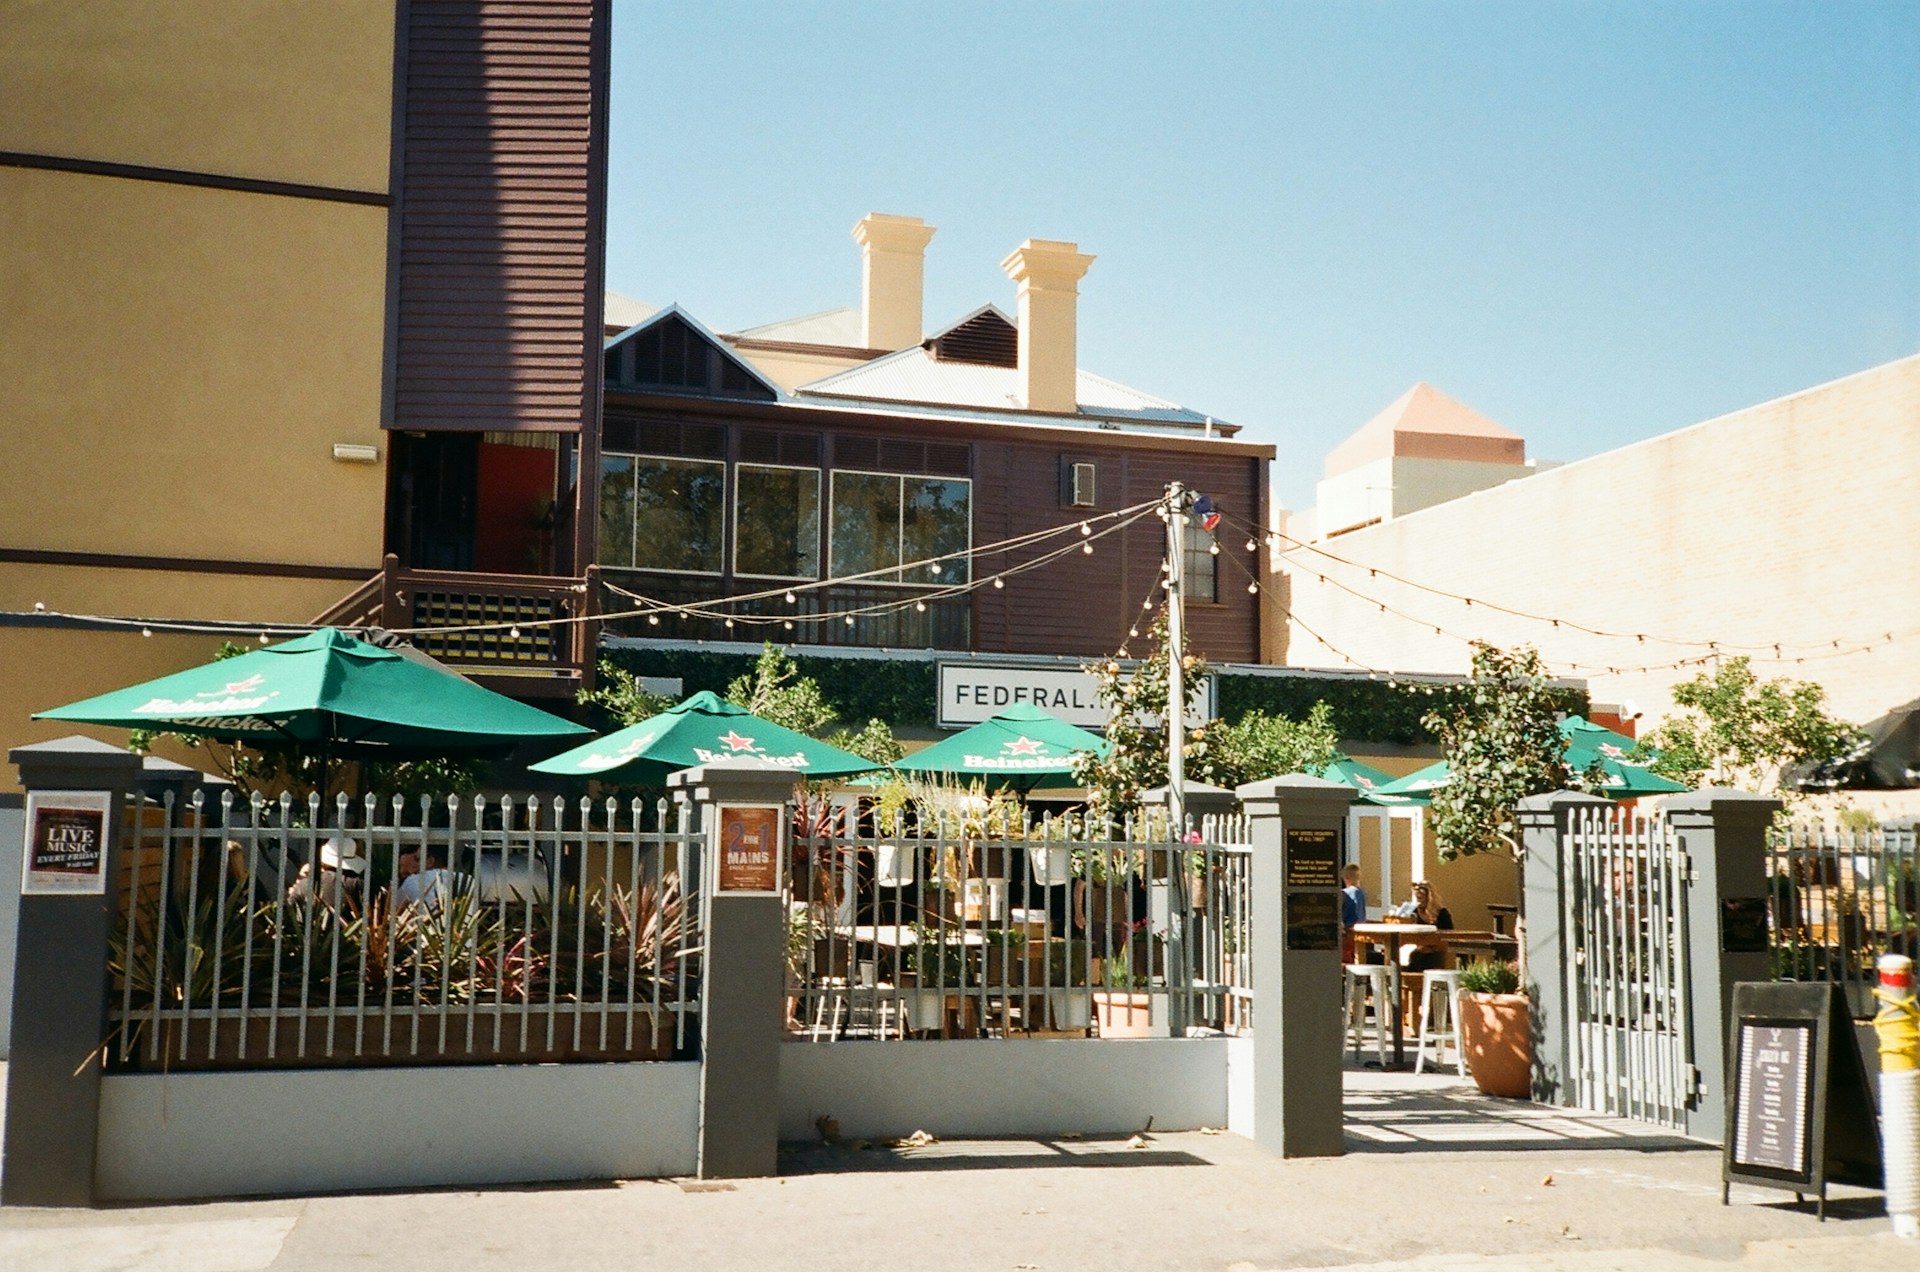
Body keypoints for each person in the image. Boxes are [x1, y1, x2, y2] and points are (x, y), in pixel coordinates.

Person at [1400, 880, 1454, 974]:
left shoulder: (1441, 913)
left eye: (1421, 897)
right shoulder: (1414, 912)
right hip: (1420, 947)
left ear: (1429, 897)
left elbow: (1449, 934)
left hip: (1438, 949)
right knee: (1415, 955)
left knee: (1422, 957)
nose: (1418, 901)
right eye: (1417, 897)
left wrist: (1432, 947)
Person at [1340, 863, 1367, 965]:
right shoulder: (1362, 892)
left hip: (1348, 928)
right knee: (1358, 954)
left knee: (1346, 955)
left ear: (1346, 878)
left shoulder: (1345, 893)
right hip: (1360, 927)